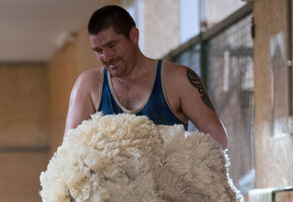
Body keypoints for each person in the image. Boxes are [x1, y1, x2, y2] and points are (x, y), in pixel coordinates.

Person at [64, 5, 228, 150]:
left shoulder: (178, 79)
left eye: (112, 46)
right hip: (113, 184)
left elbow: (219, 141)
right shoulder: (88, 86)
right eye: (98, 51)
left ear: (133, 36)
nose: (106, 57)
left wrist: (172, 160)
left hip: (167, 182)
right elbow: (68, 155)